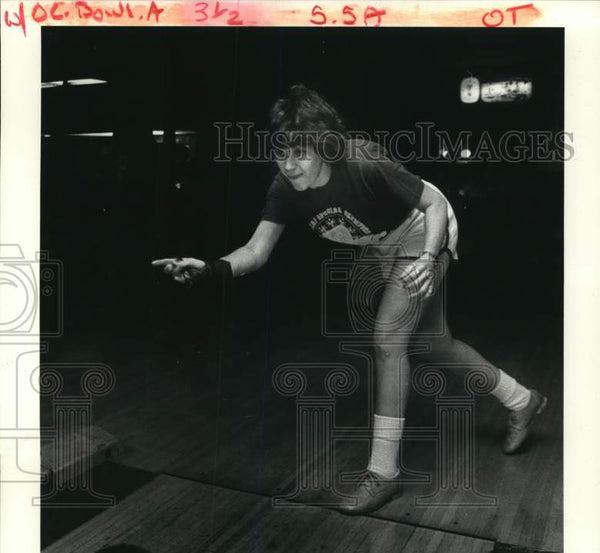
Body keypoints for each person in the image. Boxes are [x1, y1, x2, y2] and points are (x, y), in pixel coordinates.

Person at [153, 84, 547, 515]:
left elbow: (433, 203)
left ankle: (383, 474)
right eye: (280, 152)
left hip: (424, 233)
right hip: (384, 245)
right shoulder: (284, 187)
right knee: (433, 344)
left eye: (300, 152)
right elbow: (256, 251)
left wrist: (430, 258)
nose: (289, 163)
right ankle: (522, 400)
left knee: (388, 342)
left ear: (323, 145)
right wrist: (210, 267)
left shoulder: (361, 161)